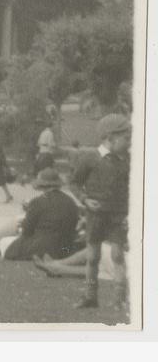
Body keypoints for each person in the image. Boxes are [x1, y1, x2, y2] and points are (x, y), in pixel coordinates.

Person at [68, 113, 131, 311]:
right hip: (96, 215)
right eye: (127, 138)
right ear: (111, 139)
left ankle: (119, 299)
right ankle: (90, 296)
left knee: (117, 255)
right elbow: (74, 183)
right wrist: (86, 199)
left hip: (119, 215)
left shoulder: (128, 161)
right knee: (93, 256)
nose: (130, 143)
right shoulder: (90, 158)